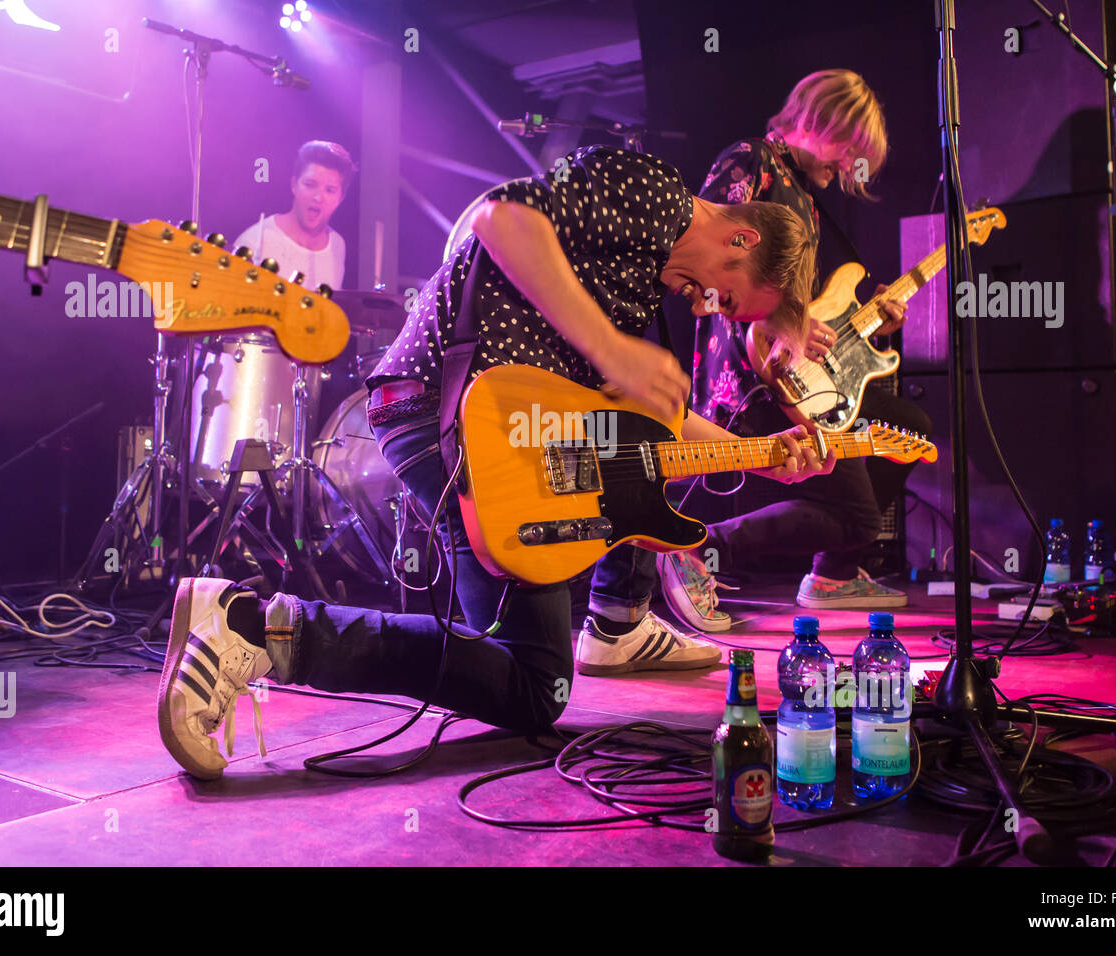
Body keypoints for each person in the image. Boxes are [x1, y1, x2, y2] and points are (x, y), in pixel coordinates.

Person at [157, 145, 833, 779]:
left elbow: (639, 419)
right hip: (444, 415)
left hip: (510, 439)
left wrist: (763, 457)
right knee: (535, 684)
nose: (706, 304)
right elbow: (501, 216)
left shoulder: (646, 271)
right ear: (740, 239)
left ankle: (248, 623)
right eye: (726, 293)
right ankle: (257, 630)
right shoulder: (655, 193)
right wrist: (610, 349)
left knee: (536, 685)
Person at [658, 69, 934, 631]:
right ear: (813, 120)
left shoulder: (806, 199)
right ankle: (696, 548)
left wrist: (868, 329)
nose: (842, 173)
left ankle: (834, 575)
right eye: (843, 154)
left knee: (906, 425)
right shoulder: (749, 163)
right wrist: (783, 323)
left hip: (799, 372)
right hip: (751, 378)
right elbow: (702, 269)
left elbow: (800, 309)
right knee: (859, 517)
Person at [231, 140, 356, 291]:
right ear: (294, 185)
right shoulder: (256, 240)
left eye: (330, 190)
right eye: (310, 184)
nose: (318, 197)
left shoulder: (337, 245)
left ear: (341, 198)